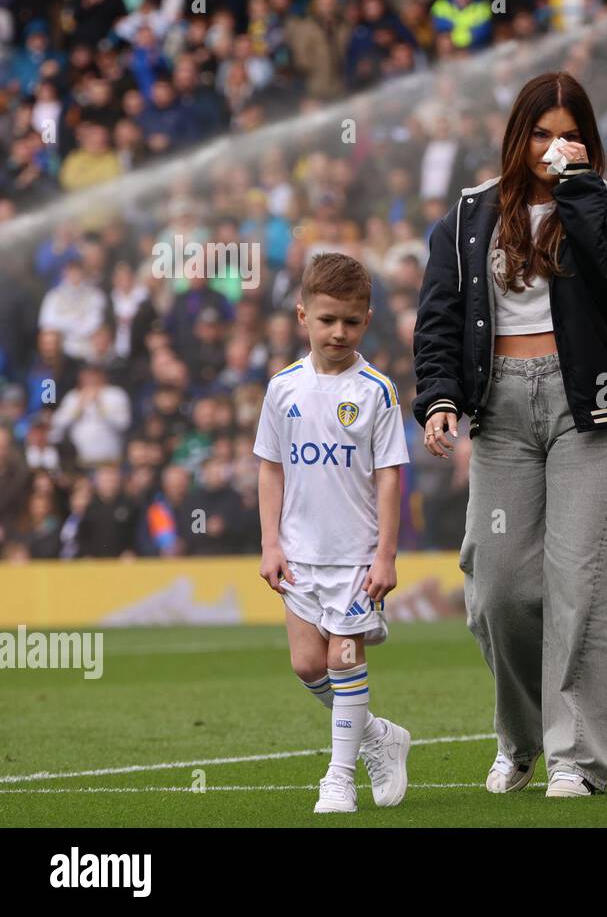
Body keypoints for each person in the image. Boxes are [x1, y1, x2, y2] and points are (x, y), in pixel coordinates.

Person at [413, 71, 607, 797]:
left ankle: (575, 759)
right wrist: (438, 398)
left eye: (569, 134)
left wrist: (580, 190)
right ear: (518, 138)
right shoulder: (467, 215)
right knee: (499, 592)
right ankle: (520, 739)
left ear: (588, 141)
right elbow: (439, 318)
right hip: (501, 415)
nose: (554, 147)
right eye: (542, 133)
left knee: (579, 587)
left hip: (588, 407)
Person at [254, 252, 412, 814]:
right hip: (298, 552)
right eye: (326, 320)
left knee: (345, 659)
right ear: (303, 316)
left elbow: (391, 477)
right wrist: (271, 543)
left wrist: (385, 556)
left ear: (366, 320)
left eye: (350, 321)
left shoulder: (377, 391)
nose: (338, 332)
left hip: (354, 556)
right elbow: (270, 467)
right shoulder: (282, 389)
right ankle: (378, 736)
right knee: (307, 665)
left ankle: (338, 777)